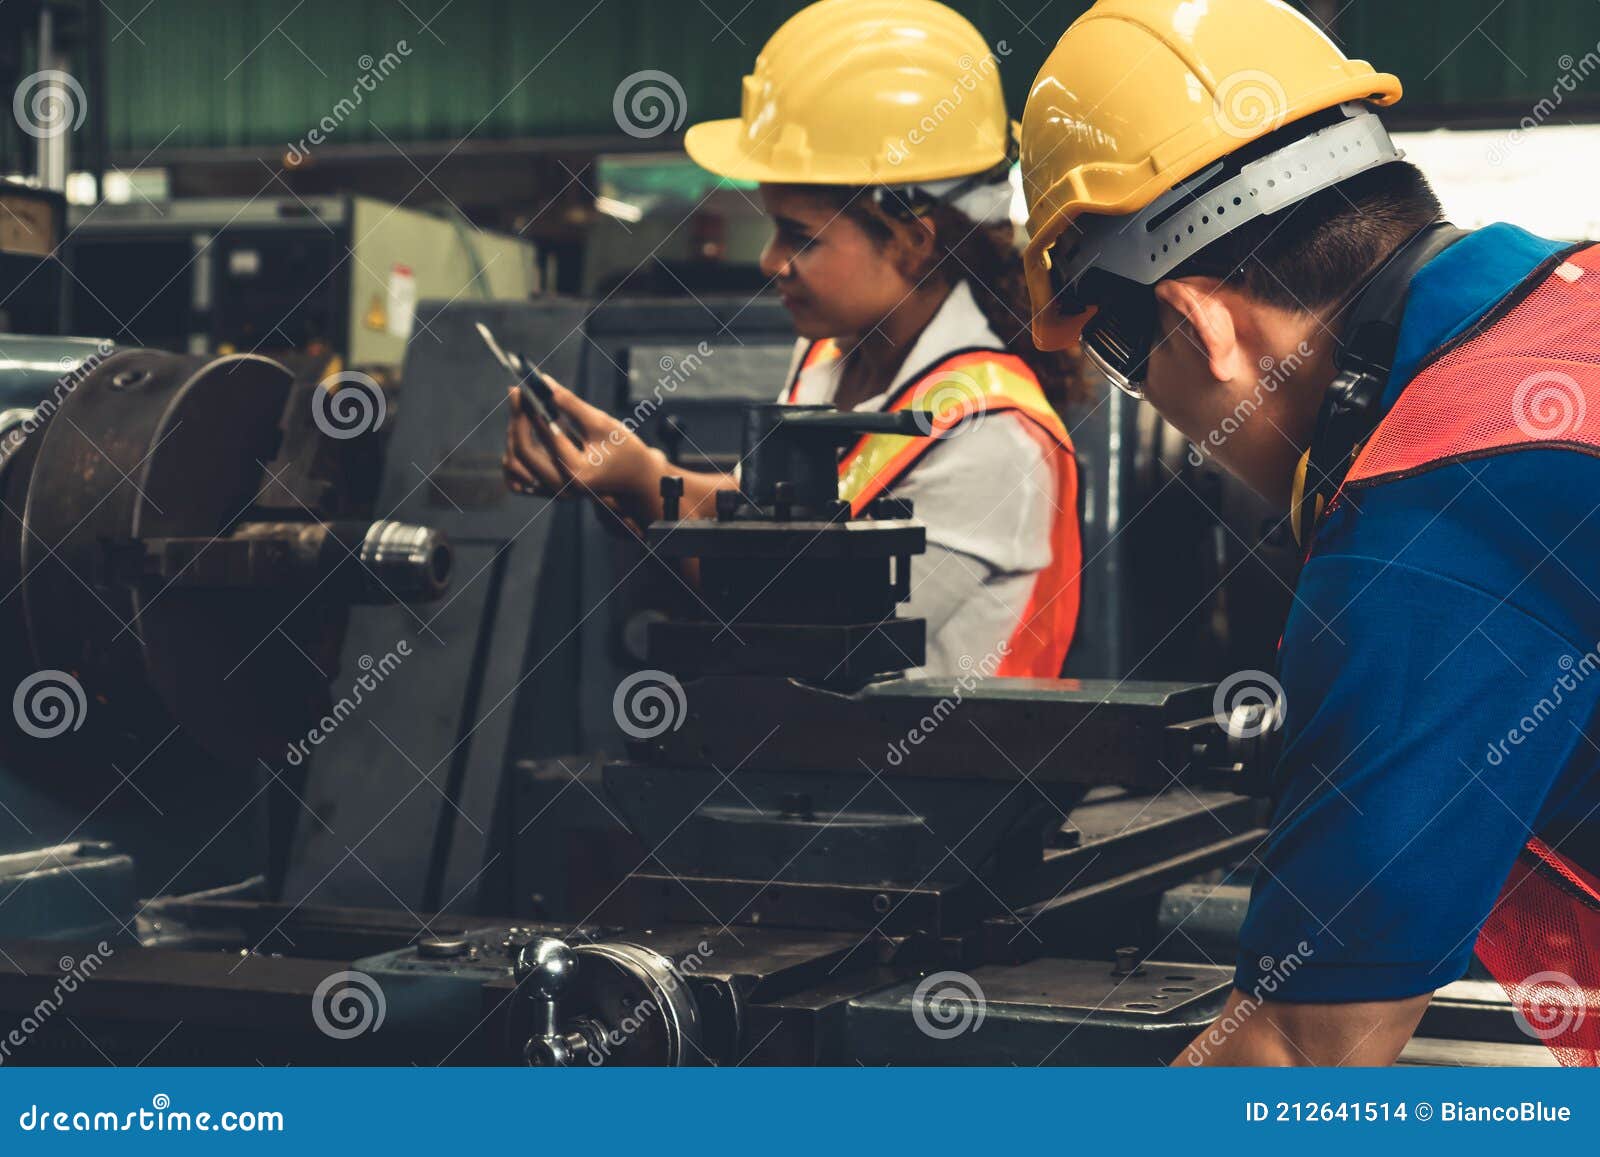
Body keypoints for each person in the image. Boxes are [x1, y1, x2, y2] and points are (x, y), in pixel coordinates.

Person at [1020, 0, 1600, 1065]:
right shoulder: (1572, 299)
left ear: (1198, 321)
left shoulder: (1433, 501)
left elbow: (1299, 1059)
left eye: (1126, 365)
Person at [504, 0, 1088, 678]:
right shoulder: (831, 357)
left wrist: (641, 484)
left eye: (800, 236)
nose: (769, 260)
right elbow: (766, 523)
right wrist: (634, 473)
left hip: (931, 750)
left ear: (911, 240)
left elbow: (811, 628)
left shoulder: (994, 435)